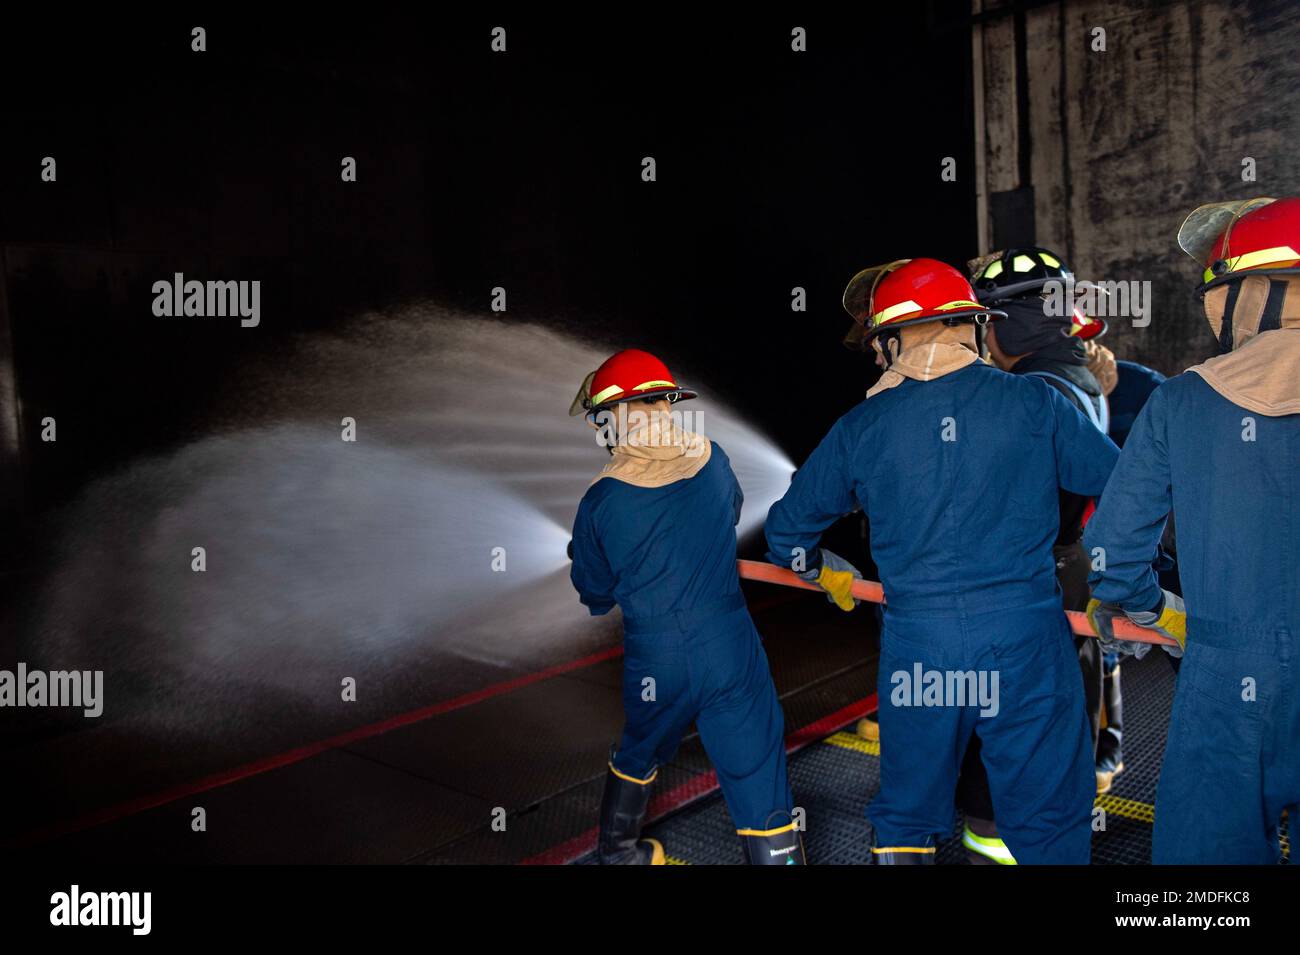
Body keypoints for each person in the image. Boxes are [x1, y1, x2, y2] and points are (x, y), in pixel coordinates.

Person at [767, 258, 1118, 864]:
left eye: (880, 345)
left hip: (919, 648)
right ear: (972, 328)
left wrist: (826, 572)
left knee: (907, 811)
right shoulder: (1035, 404)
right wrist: (1132, 584)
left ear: (896, 340)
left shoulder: (861, 427)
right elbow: (1123, 486)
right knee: (1051, 815)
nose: (877, 359)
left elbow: (787, 534)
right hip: (1026, 640)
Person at [1084, 198, 1300, 864]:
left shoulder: (1181, 401)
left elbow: (1114, 553)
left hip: (1230, 672)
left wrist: (1154, 607)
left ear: (1249, 294)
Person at [568, 348, 804, 865]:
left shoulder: (601, 500)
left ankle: (618, 852)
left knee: (641, 746)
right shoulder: (712, 457)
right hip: (729, 643)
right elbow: (729, 514)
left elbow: (595, 588)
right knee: (757, 772)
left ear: (616, 417)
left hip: (658, 658)